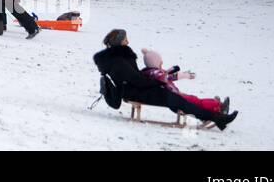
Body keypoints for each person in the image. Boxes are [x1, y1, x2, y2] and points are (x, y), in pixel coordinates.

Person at [93, 29, 237, 129]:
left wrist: (155, 78)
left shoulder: (119, 57)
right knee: (178, 100)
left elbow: (136, 78)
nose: (128, 41)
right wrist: (158, 81)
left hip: (138, 89)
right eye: (125, 40)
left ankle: (214, 115)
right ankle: (217, 118)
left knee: (179, 99)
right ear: (120, 43)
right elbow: (136, 80)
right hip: (136, 92)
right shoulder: (119, 61)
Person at [139, 48, 229, 115]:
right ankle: (217, 107)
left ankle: (215, 103)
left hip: (174, 95)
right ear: (154, 62)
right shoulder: (155, 73)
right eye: (160, 62)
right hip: (174, 97)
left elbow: (164, 75)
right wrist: (183, 75)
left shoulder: (152, 72)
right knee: (196, 102)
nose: (161, 64)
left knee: (195, 99)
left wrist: (171, 70)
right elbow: (166, 77)